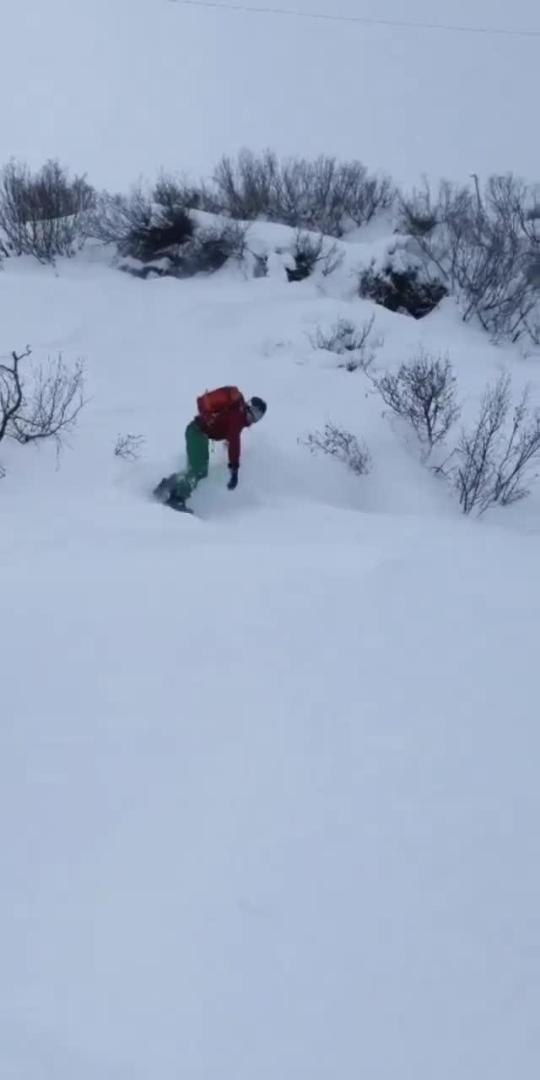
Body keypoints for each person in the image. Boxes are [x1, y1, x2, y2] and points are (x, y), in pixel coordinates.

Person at [154, 386, 267, 511]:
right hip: (197, 432)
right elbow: (234, 441)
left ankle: (167, 486)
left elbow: (231, 436)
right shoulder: (238, 415)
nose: (254, 419)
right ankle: (177, 499)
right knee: (198, 470)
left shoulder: (237, 416)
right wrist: (234, 469)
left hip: (198, 434)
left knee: (198, 470)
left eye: (259, 417)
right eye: (256, 413)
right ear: (250, 406)